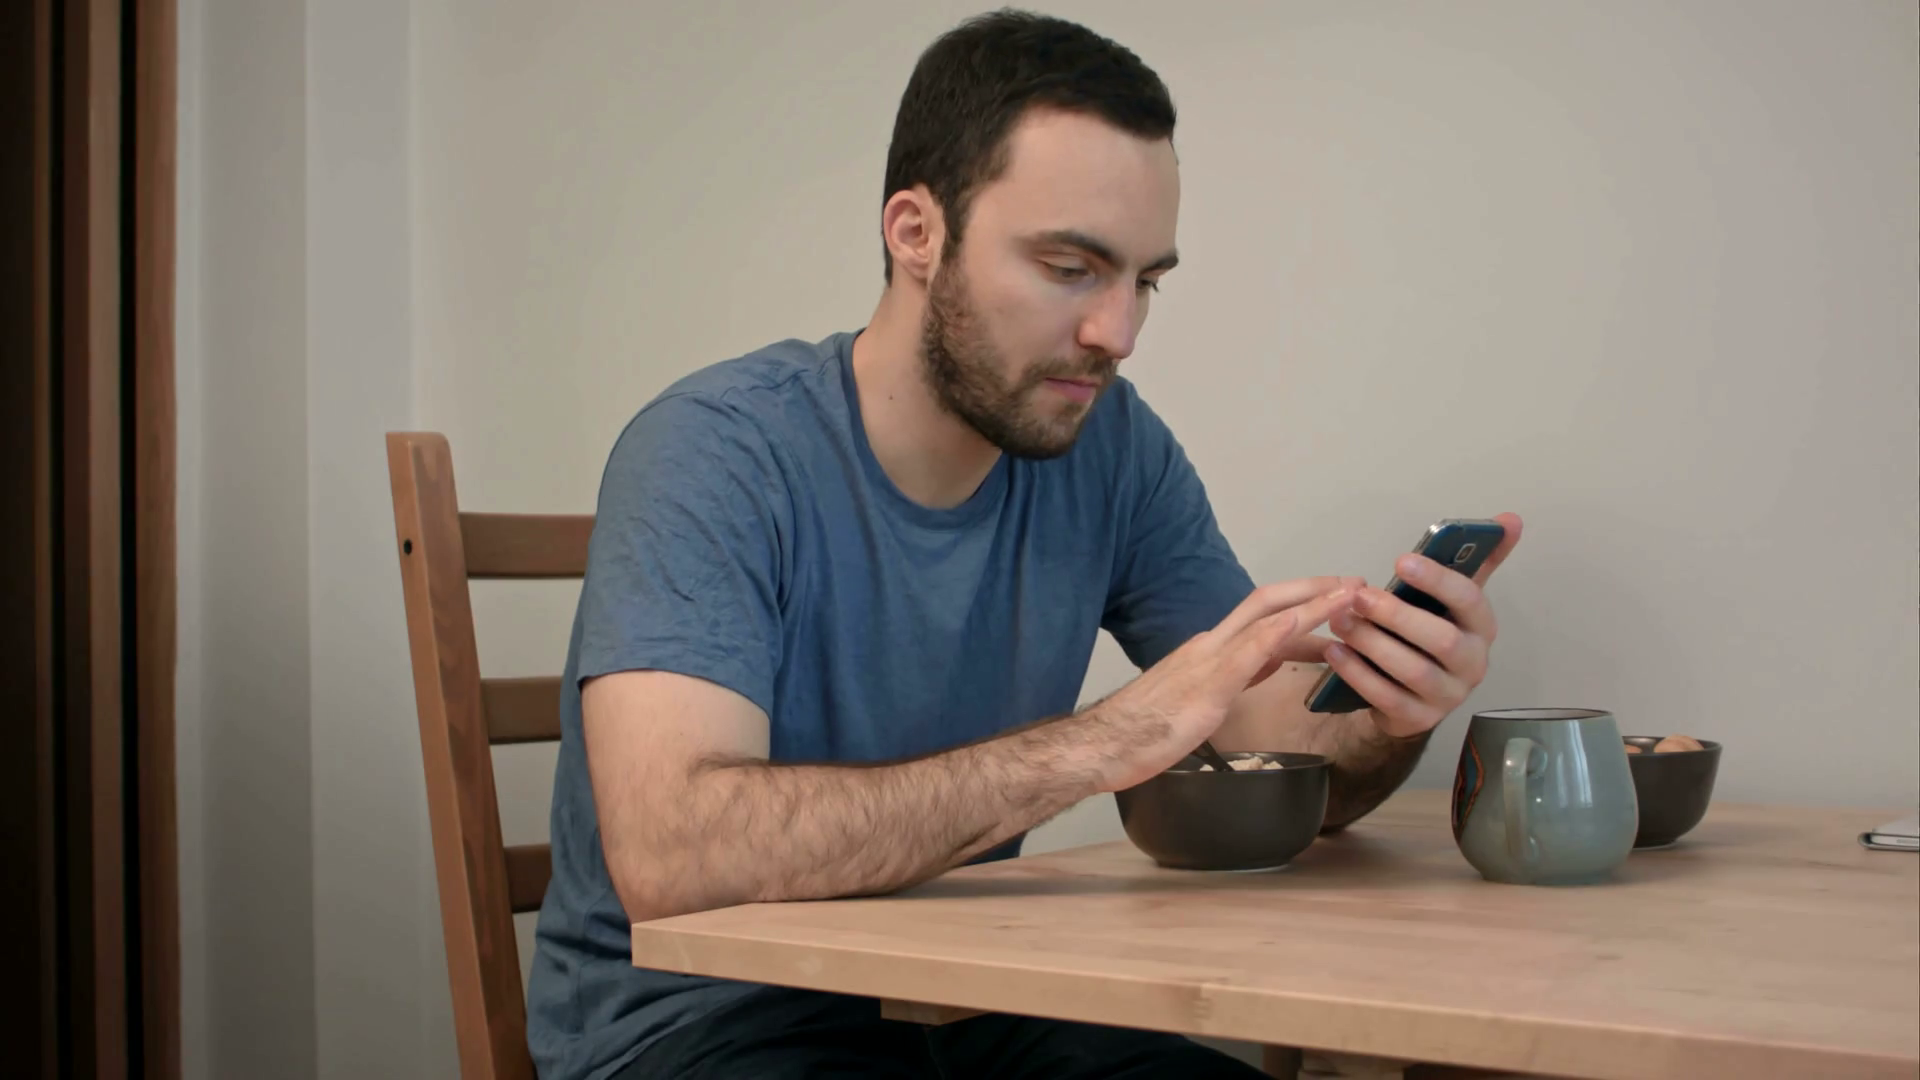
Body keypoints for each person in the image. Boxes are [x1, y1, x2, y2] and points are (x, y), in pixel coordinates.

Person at [525, 9, 1523, 1079]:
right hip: (702, 1028)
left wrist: (1383, 712)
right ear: (916, 233)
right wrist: (1100, 743)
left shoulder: (1110, 447)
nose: (1117, 334)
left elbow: (1262, 745)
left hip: (969, 1002)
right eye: (1070, 267)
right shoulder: (713, 452)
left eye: (1145, 280)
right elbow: (676, 854)